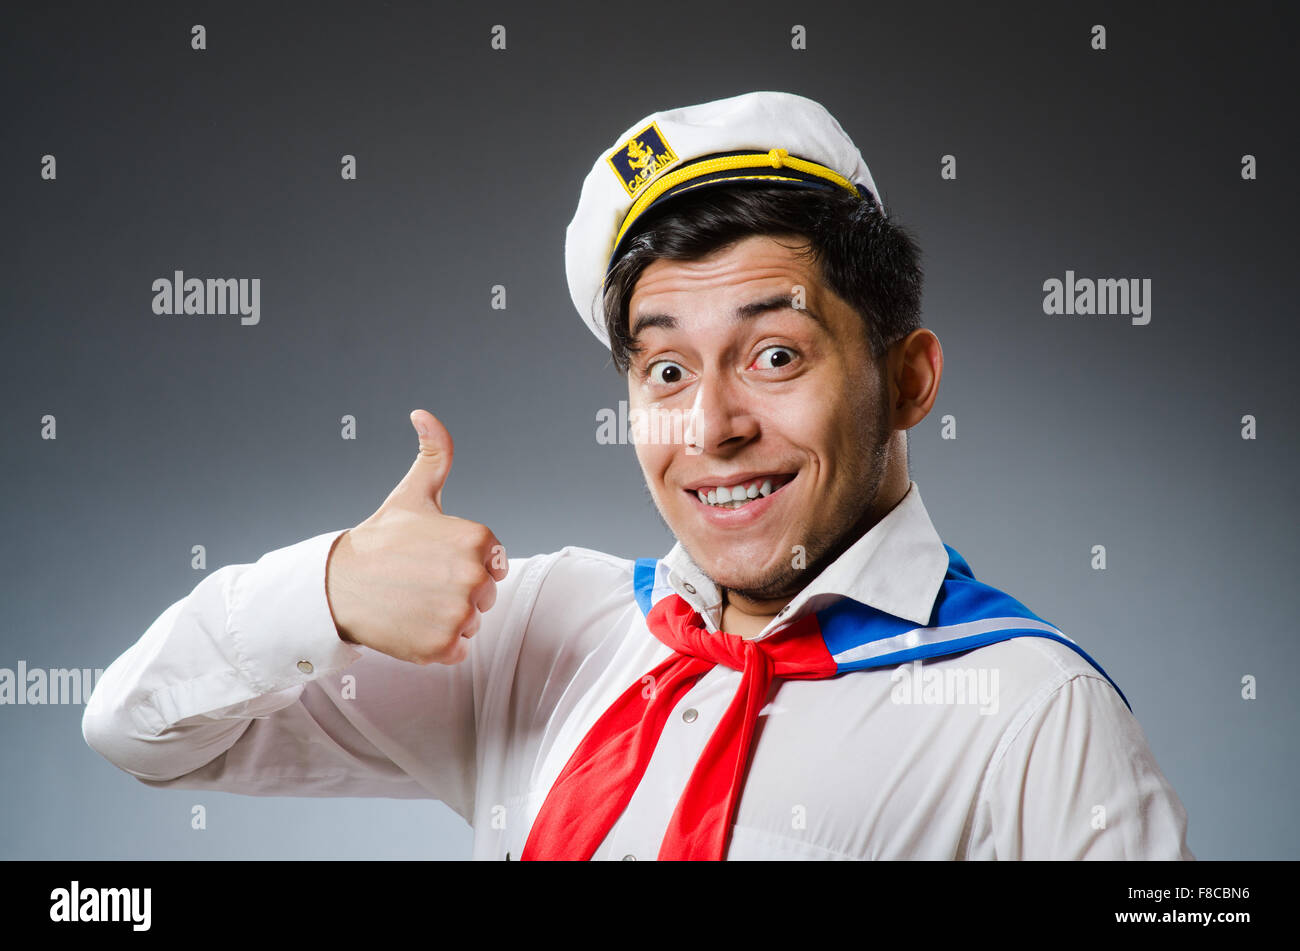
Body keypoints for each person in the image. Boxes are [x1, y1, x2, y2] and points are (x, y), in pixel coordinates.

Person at [83, 91, 1193, 860]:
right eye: (665, 368)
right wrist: (323, 590)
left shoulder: (1035, 713)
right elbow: (139, 730)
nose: (709, 428)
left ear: (905, 379)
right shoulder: (539, 634)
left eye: (774, 356)